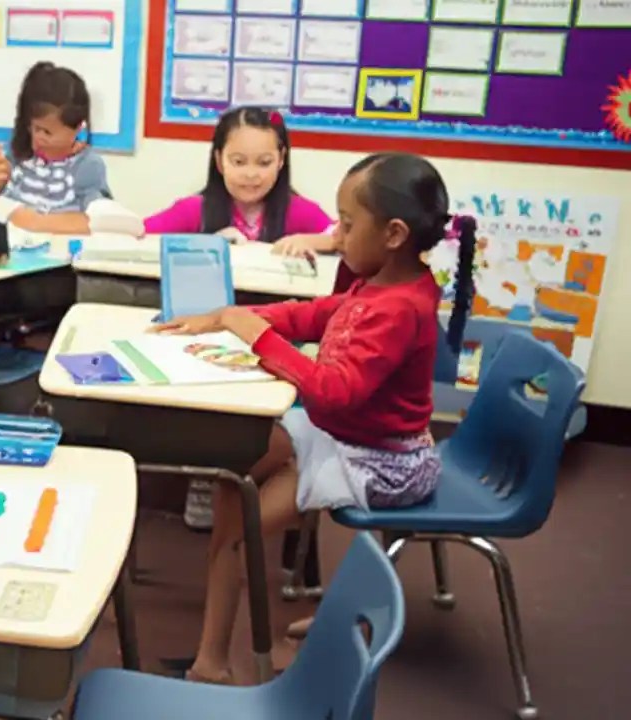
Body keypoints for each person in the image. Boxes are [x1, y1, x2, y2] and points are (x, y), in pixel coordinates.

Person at [154, 152, 477, 683]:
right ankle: (212, 659)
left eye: (347, 223)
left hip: (383, 459)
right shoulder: (377, 281)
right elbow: (312, 315)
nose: (336, 232)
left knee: (238, 525)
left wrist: (254, 334)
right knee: (235, 473)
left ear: (394, 233)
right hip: (349, 435)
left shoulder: (401, 307)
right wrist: (224, 317)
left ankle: (214, 665)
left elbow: (332, 394)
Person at [140, 106, 335, 257]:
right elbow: (141, 235)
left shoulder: (299, 211)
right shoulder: (193, 209)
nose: (251, 174)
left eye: (264, 163)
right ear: (219, 160)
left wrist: (307, 241)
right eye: (239, 162)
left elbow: (346, 239)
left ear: (281, 160)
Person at [0, 62, 109, 233]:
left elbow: (97, 222)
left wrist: (32, 221)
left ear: (78, 128)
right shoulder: (13, 155)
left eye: (47, 132)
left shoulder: (87, 165)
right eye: (35, 128)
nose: (39, 137)